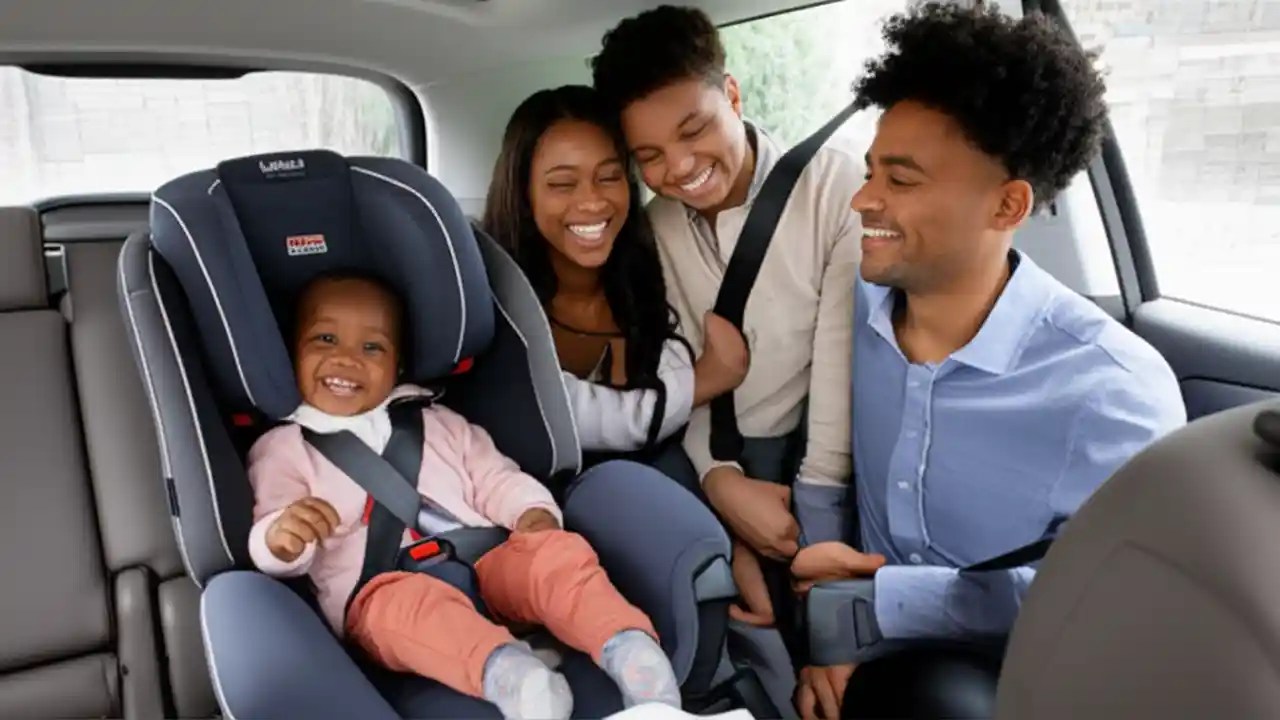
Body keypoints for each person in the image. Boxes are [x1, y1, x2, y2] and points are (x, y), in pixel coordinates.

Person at [789, 4, 1188, 717]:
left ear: (1006, 206)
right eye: (871, 170)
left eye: (901, 181)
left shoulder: (1109, 390)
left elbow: (1113, 600)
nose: (863, 198)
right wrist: (834, 625)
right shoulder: (852, 305)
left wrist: (874, 604)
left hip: (1029, 674)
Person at [245, 271, 682, 720]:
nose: (346, 359)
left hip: (487, 559)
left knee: (556, 556)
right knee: (409, 615)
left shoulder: (438, 421)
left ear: (397, 365)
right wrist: (282, 537)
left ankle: (627, 648)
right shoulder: (284, 449)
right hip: (383, 588)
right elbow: (271, 528)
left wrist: (531, 510)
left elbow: (495, 478)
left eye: (371, 347)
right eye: (325, 338)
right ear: (292, 353)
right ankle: (512, 675)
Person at [591, 4, 862, 651]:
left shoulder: (834, 187)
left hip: (823, 469)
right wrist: (718, 480)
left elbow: (839, 369)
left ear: (732, 94)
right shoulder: (657, 226)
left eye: (695, 131)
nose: (680, 168)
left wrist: (818, 528)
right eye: (649, 156)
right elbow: (681, 368)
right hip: (724, 463)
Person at [482, 84, 749, 469]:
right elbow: (554, 411)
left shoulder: (654, 271)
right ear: (524, 195)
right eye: (562, 184)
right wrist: (703, 382)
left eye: (609, 177)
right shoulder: (489, 299)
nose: (592, 201)